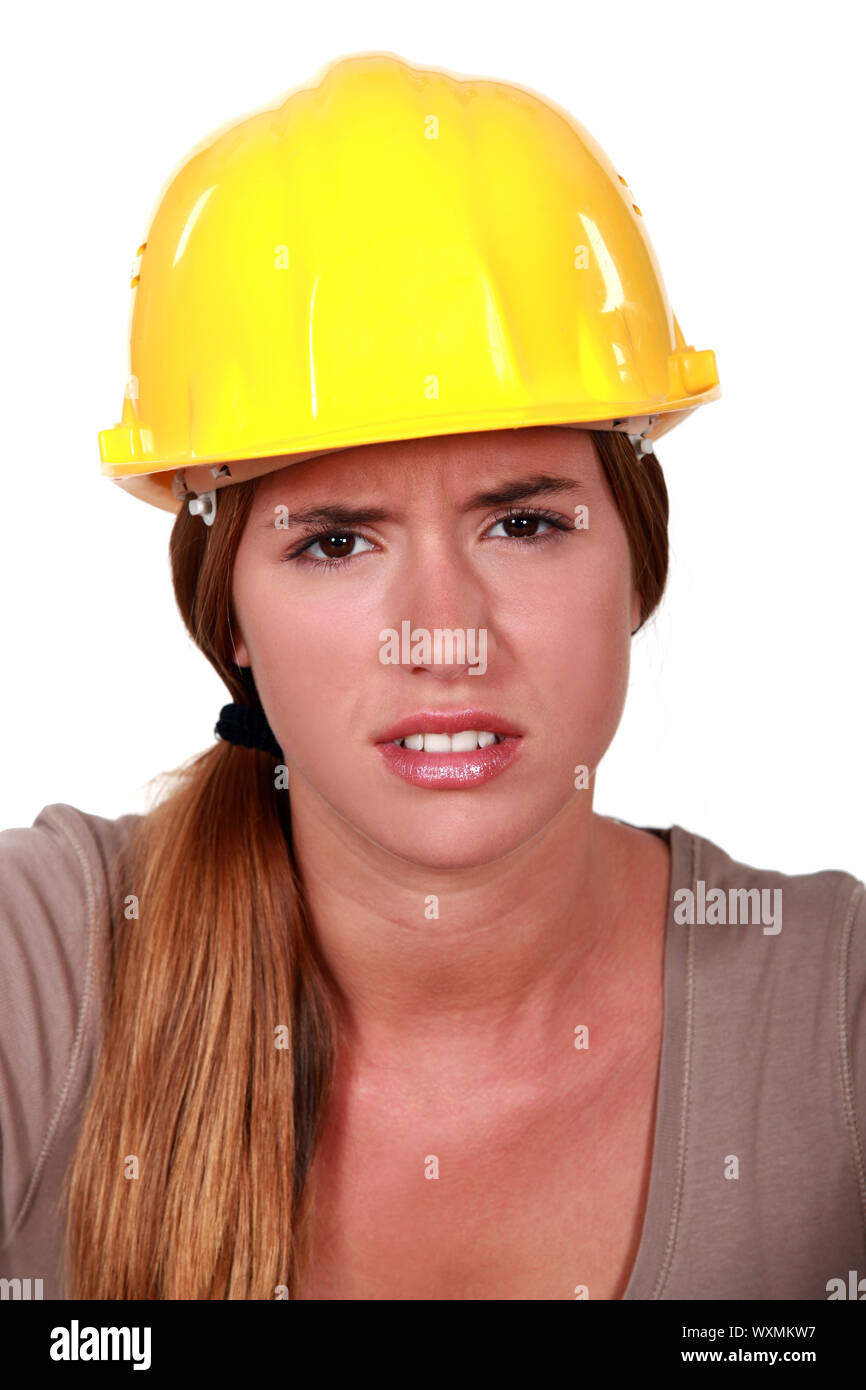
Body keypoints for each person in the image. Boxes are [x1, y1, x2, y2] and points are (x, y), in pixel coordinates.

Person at [1, 52, 863, 1303]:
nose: (442, 633)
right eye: (335, 541)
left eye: (522, 524)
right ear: (228, 612)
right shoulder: (49, 964)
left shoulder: (830, 1011)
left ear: (636, 564)